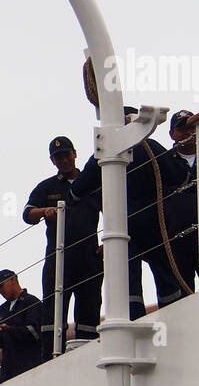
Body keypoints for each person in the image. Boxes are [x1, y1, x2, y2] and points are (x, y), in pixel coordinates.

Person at [72, 107, 190, 318]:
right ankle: (173, 319)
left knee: (129, 278)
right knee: (165, 273)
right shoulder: (151, 147)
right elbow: (179, 176)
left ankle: (134, 322)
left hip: (122, 226)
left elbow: (78, 190)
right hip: (155, 222)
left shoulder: (105, 150)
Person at [22, 136, 102, 358]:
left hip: (89, 255)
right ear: (52, 161)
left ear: (75, 154)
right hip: (59, 257)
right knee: (54, 310)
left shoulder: (92, 182)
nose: (64, 160)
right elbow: (27, 214)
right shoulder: (47, 186)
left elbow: (113, 210)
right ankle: (50, 357)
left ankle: (88, 354)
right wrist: (44, 210)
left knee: (90, 305)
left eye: (67, 155)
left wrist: (107, 243)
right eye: (59, 157)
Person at [0, 269, 42, 383]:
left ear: (12, 280)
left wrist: (9, 329)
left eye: (1, 286)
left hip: (30, 365)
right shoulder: (2, 310)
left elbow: (35, 333)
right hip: (9, 369)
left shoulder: (31, 302)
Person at [163, 110, 199, 293]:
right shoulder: (163, 162)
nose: (187, 132)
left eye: (191, 127)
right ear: (172, 134)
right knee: (184, 292)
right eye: (182, 128)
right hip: (177, 237)